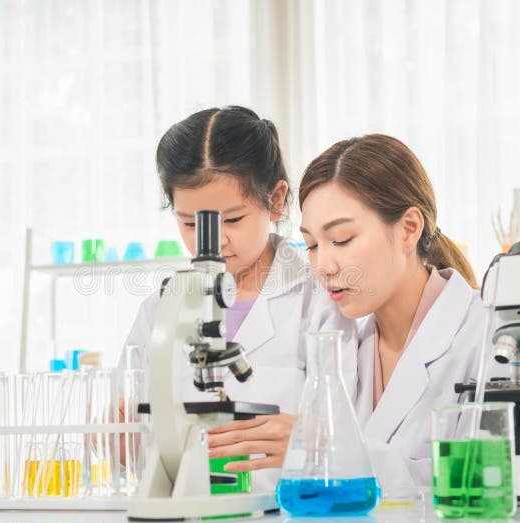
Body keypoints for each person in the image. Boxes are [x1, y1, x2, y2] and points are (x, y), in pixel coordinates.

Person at [123, 106, 358, 490]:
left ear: (277, 200)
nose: (212, 241)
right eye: (189, 223)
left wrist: (309, 442)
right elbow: (129, 434)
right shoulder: (160, 309)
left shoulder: (316, 302)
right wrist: (121, 442)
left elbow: (347, 432)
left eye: (231, 220)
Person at [298, 133, 500, 487]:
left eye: (342, 239)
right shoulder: (346, 350)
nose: (323, 265)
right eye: (312, 245)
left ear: (409, 229)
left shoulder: (488, 338)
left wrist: (336, 451)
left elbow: (491, 484)